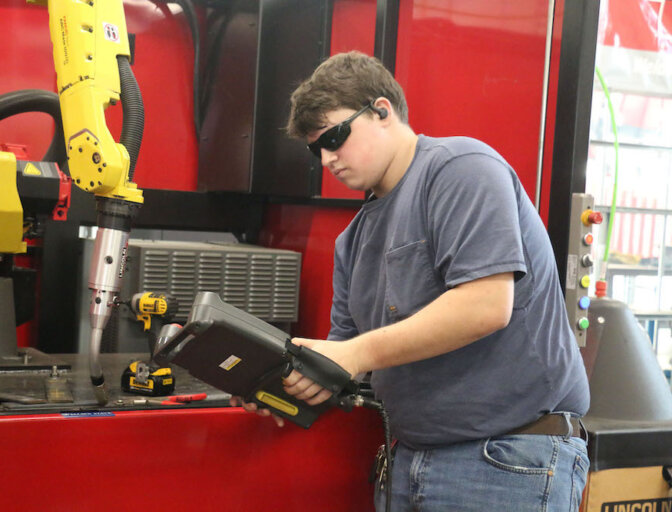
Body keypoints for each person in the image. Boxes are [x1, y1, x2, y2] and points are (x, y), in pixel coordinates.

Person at [232, 51, 591, 511]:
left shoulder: (461, 169)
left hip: (507, 460)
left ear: (382, 111)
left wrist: (355, 352)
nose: (327, 158)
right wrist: (276, 385)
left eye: (336, 136)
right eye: (315, 148)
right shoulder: (353, 240)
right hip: (411, 461)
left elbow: (485, 304)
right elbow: (346, 362)